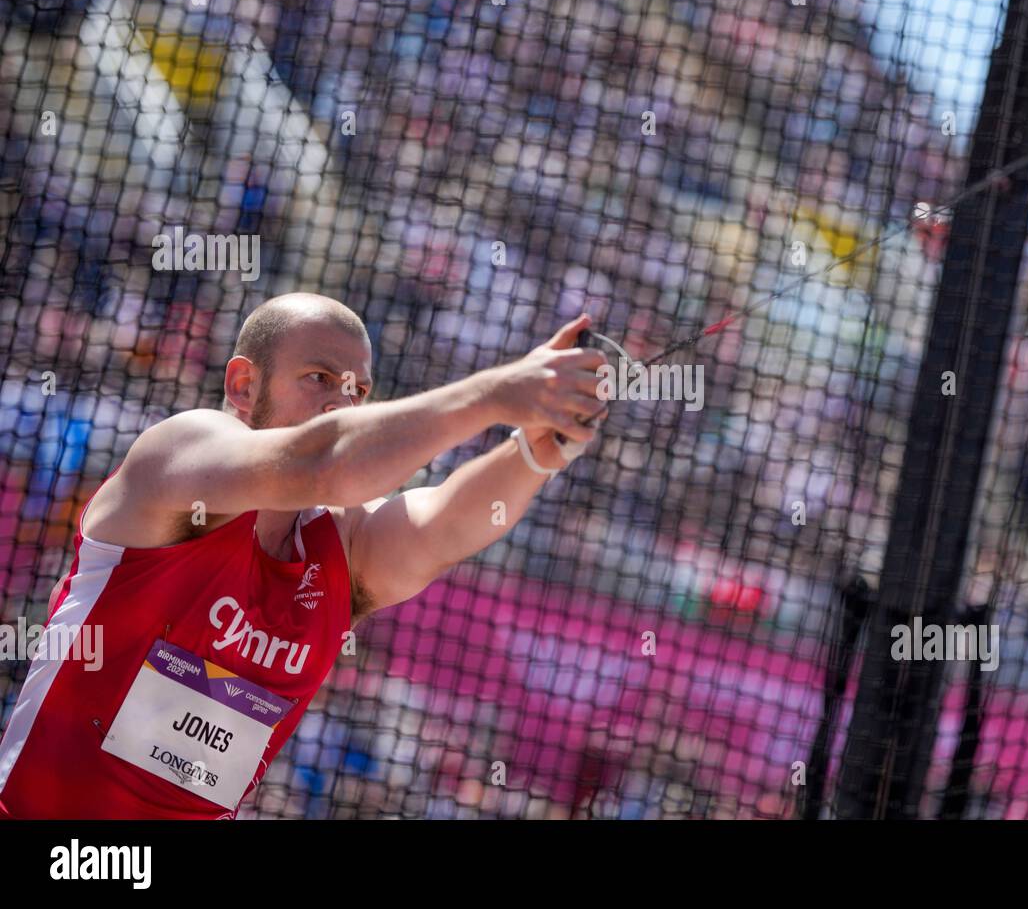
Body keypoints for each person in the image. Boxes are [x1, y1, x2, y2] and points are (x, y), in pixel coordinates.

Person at [0, 293, 607, 818]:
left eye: (358, 390)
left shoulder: (340, 547)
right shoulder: (182, 454)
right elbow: (326, 463)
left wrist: (541, 448)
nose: (342, 402)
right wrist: (496, 392)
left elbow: (445, 524)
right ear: (244, 384)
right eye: (319, 377)